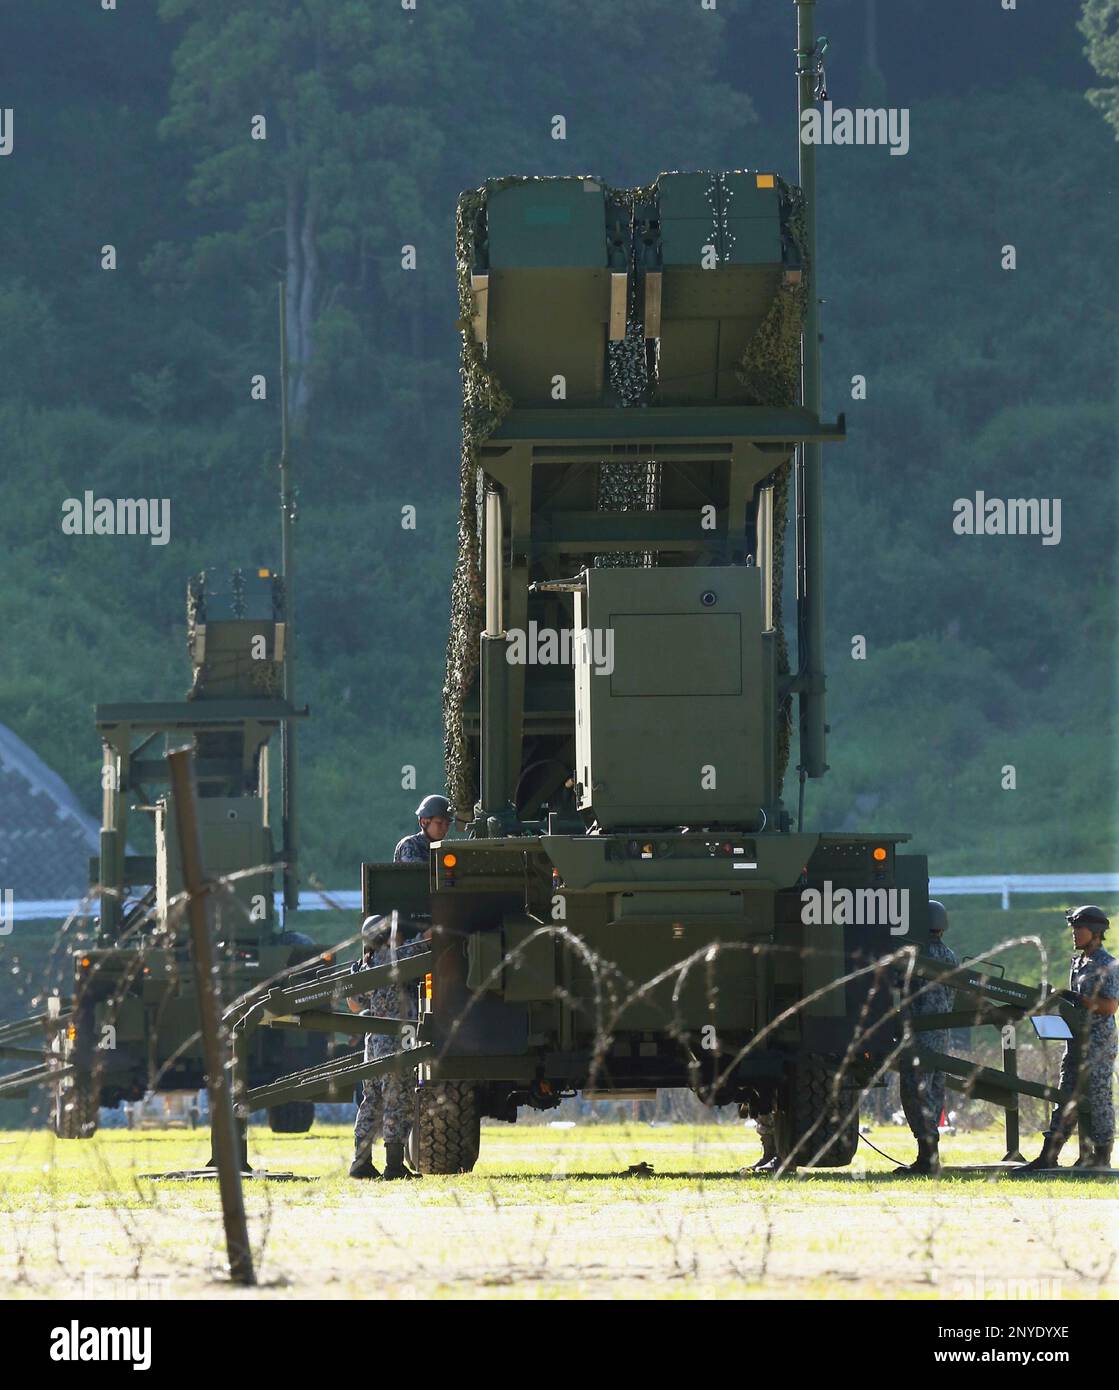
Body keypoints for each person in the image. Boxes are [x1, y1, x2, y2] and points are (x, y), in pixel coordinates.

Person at [1022, 906, 1118, 1172]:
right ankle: (1049, 1155)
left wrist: (1077, 999)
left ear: (1096, 933)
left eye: (1079, 928)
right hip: (1076, 1041)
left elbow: (1110, 1006)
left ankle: (1100, 1156)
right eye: (1074, 928)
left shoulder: (1106, 964)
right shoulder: (1078, 962)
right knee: (1066, 1097)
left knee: (1098, 1099)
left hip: (1098, 1044)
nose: (1075, 934)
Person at [348, 913, 425, 1180]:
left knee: (372, 1101)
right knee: (398, 1100)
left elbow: (355, 1003)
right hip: (393, 1041)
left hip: (373, 1043)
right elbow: (428, 941)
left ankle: (361, 1163)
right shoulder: (396, 956)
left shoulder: (365, 965)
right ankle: (393, 1166)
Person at [897, 899, 958, 1176]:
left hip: (920, 1034)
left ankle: (927, 1157)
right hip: (942, 1035)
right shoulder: (950, 956)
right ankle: (930, 1156)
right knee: (933, 1092)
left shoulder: (915, 956)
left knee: (914, 1092)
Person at [394, 794, 452, 864]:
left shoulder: (445, 849)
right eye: (439, 823)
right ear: (424, 822)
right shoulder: (410, 844)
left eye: (447, 824)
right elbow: (417, 873)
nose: (444, 828)